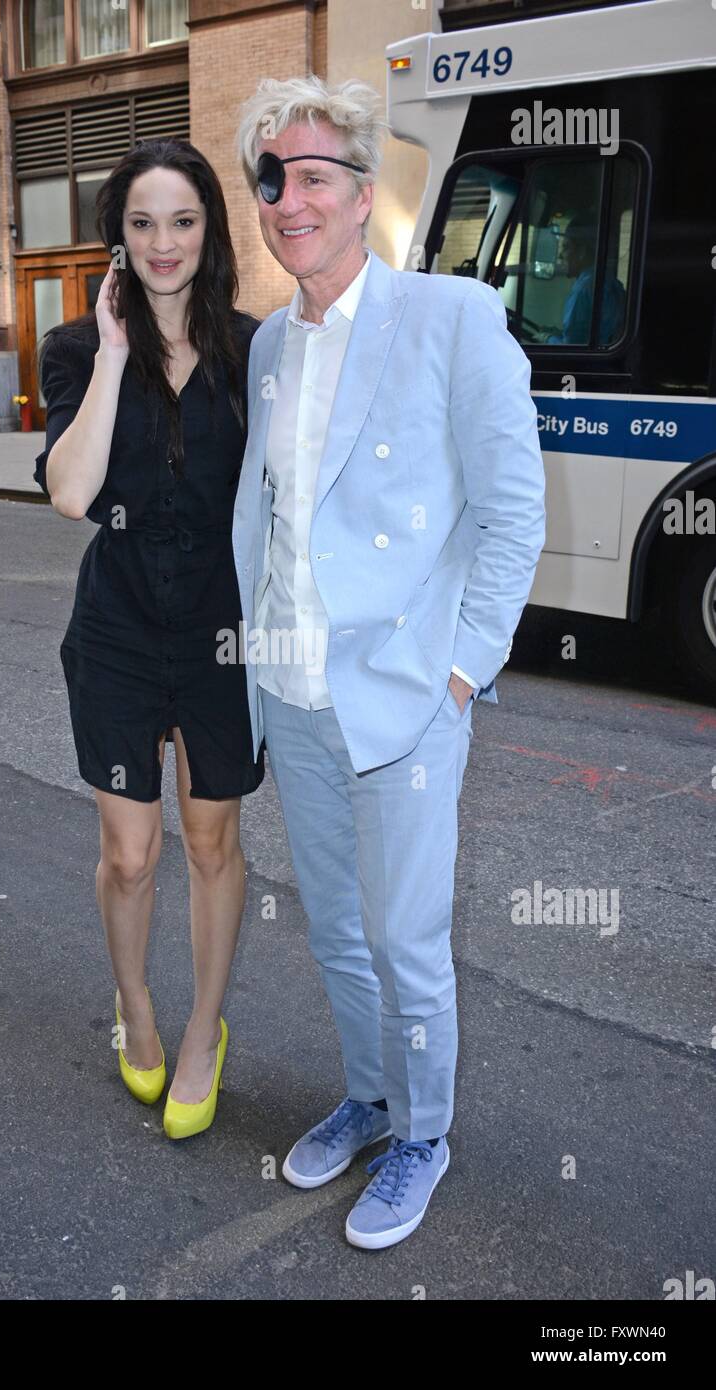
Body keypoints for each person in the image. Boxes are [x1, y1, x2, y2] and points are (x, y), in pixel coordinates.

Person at [233, 76, 546, 1248]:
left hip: (409, 699)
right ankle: (369, 1095)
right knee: (333, 926)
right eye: (272, 180)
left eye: (314, 175)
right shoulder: (271, 343)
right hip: (295, 692)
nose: (289, 199)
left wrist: (461, 672)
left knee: (406, 937)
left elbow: (514, 514)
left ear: (364, 193)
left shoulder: (452, 318)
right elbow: (263, 518)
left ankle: (423, 1128)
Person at [34, 139, 265, 1141]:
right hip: (119, 631)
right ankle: (136, 1008)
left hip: (222, 636)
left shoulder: (254, 349)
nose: (163, 241)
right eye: (142, 222)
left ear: (208, 229)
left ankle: (205, 1032)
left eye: (182, 220)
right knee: (129, 856)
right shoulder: (75, 351)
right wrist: (118, 354)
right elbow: (72, 491)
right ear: (117, 238)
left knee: (213, 843)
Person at [547, 212, 626, 345]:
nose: (560, 256)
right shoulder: (609, 281)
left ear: (582, 252)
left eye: (566, 247)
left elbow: (571, 349)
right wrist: (558, 334)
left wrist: (547, 339)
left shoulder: (583, 289)